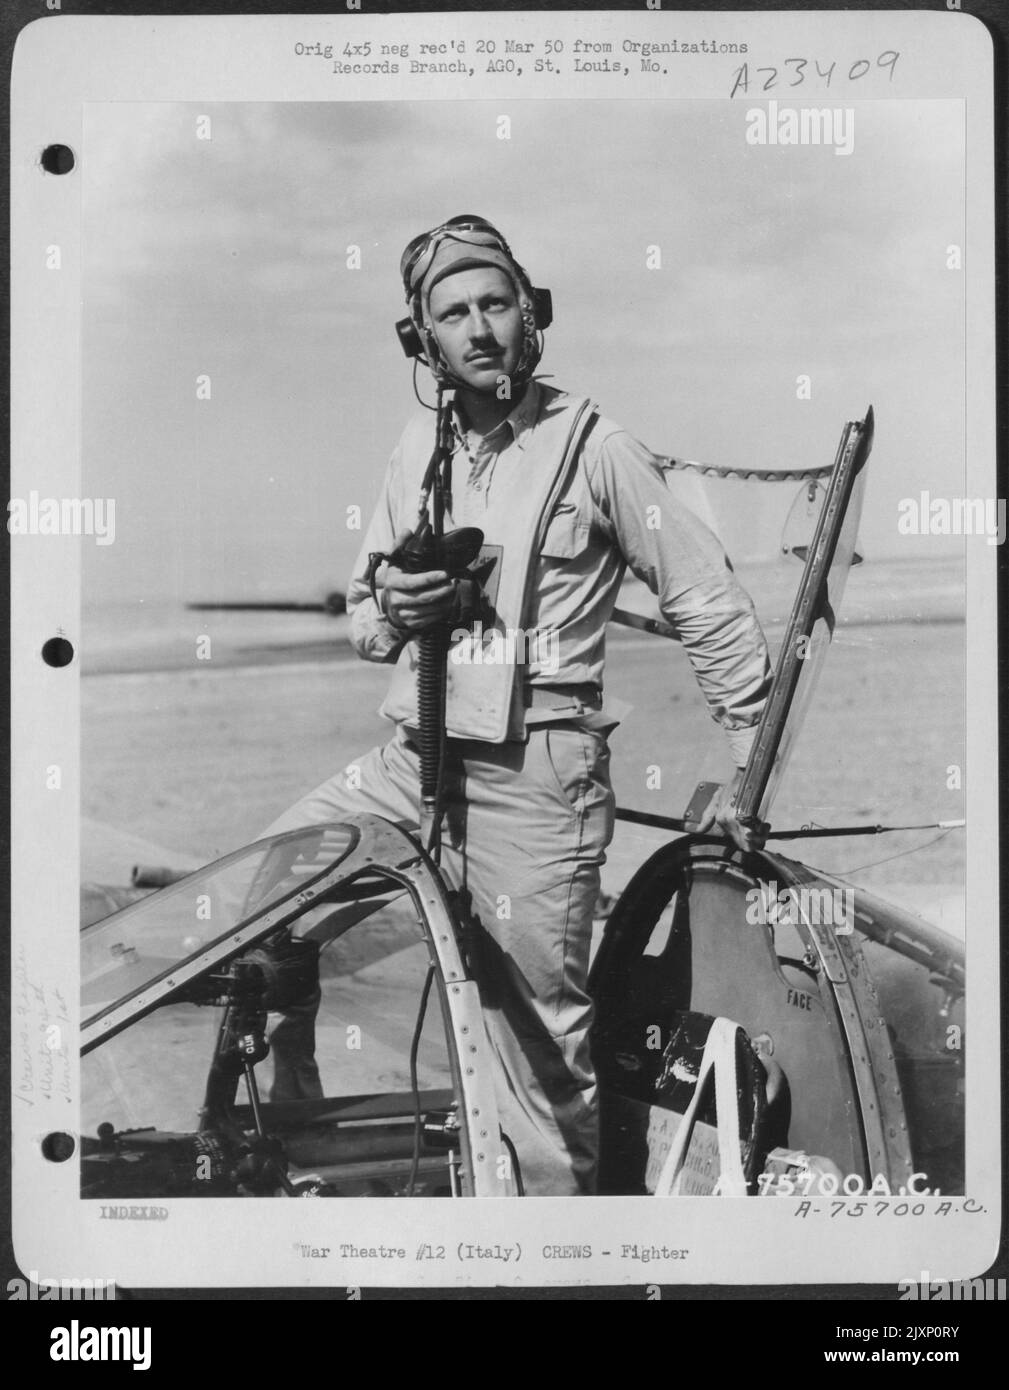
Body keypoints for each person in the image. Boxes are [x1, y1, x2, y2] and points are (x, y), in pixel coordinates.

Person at [260, 216, 773, 1195]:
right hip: (409, 762)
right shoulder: (416, 446)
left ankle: (553, 1250)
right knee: (263, 906)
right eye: (453, 313)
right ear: (422, 342)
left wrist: (747, 753)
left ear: (531, 317)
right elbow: (365, 615)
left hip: (536, 781)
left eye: (495, 303)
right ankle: (292, 1111)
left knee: (534, 1048)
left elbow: (702, 596)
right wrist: (395, 610)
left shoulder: (600, 447)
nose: (479, 327)